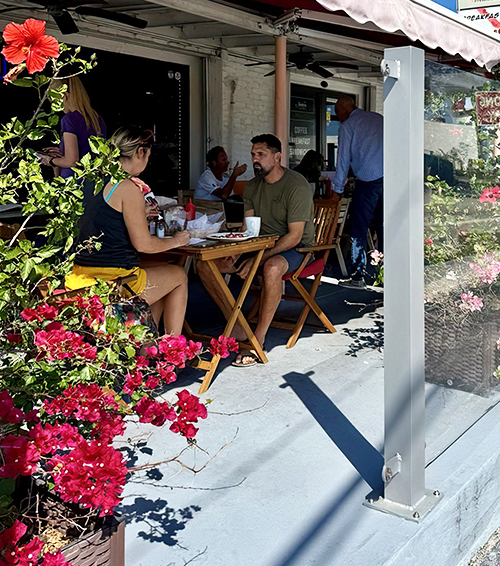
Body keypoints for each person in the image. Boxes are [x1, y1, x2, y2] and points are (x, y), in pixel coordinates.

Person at [198, 133, 314, 367]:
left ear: (277, 156)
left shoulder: (296, 184)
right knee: (205, 265)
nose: (255, 159)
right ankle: (239, 324)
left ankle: (258, 337)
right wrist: (238, 250)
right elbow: (247, 227)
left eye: (261, 154)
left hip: (295, 249)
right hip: (259, 244)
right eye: (253, 154)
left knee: (271, 268)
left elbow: (295, 236)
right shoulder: (252, 187)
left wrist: (260, 258)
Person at [68, 126, 191, 335]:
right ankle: (172, 351)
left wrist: (139, 214)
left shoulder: (89, 179)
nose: (146, 163)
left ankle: (145, 345)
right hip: (114, 282)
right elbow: (144, 244)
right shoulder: (127, 187)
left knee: (162, 270)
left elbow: (101, 218)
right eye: (147, 156)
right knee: (178, 276)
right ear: (140, 152)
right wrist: (179, 240)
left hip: (81, 277)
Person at [332, 97, 383, 288]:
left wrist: (337, 190)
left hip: (368, 181)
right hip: (389, 179)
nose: (338, 117)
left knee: (358, 229)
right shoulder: (378, 118)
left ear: (347, 108)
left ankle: (357, 277)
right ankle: (384, 273)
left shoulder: (348, 126)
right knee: (384, 227)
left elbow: (343, 160)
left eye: (338, 112)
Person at [40, 76, 106, 177]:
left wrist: (51, 160)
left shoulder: (69, 120)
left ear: (64, 96)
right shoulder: (97, 119)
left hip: (74, 182)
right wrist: (61, 154)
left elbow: (71, 161)